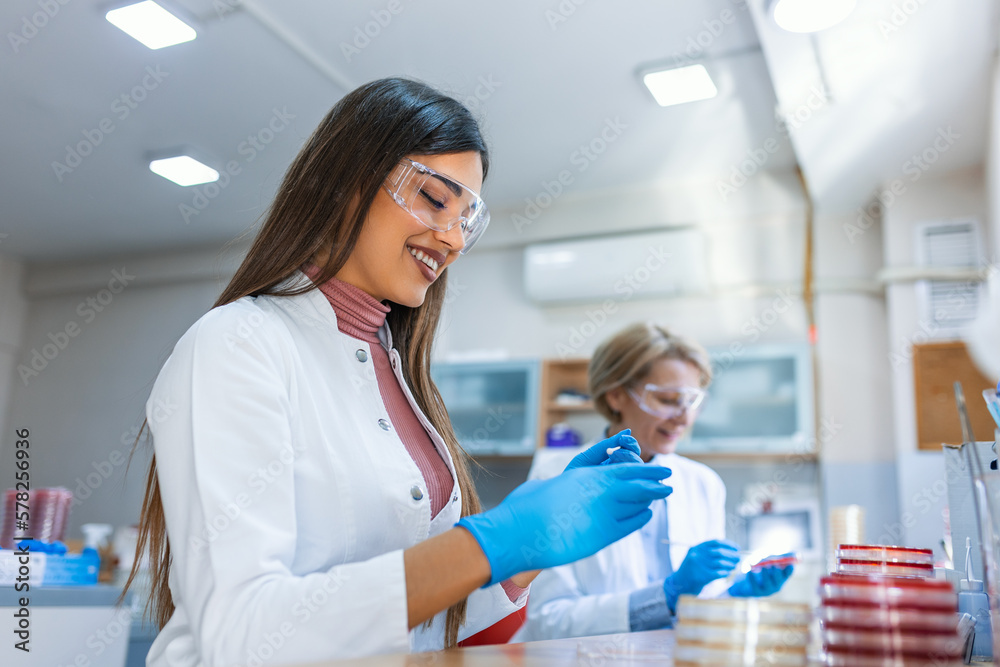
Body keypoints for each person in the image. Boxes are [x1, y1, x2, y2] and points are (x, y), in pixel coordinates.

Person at [119, 78, 673, 665]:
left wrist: (526, 554)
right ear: (346, 184)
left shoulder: (400, 375)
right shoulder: (239, 344)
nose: (452, 239)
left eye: (467, 219)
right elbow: (243, 634)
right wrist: (495, 540)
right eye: (434, 199)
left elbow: (424, 626)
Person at [515, 322, 794, 641]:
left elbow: (695, 610)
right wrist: (666, 595)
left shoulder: (703, 484)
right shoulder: (555, 477)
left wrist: (733, 596)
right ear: (616, 395)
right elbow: (548, 620)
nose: (684, 418)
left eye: (692, 401)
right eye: (668, 399)